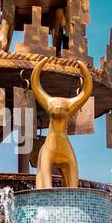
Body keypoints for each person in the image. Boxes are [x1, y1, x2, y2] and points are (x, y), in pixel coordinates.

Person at [31, 57, 93, 189]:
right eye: (54, 105)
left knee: (71, 178)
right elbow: (86, 91)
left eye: (63, 107)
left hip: (61, 144)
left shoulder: (54, 104)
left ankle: (71, 197)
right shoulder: (68, 107)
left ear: (70, 112)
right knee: (43, 177)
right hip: (54, 144)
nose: (58, 106)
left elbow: (86, 92)